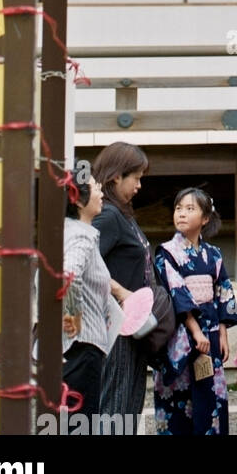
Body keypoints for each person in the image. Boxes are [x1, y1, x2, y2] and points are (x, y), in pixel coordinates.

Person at [152, 187, 237, 435]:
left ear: (205, 218)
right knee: (176, 399)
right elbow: (175, 291)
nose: (181, 214)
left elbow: (224, 291)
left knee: (210, 398)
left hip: (210, 336)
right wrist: (195, 331)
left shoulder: (213, 254)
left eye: (189, 209)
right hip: (179, 337)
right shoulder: (166, 252)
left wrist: (223, 333)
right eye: (178, 208)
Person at [91, 142, 151, 432]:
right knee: (115, 408)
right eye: (136, 177)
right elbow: (84, 263)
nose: (139, 185)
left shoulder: (122, 214)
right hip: (115, 327)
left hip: (131, 327)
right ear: (116, 176)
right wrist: (120, 291)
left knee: (128, 407)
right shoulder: (109, 216)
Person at [62, 174, 116, 424]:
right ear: (79, 200)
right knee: (81, 425)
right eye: (96, 188)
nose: (102, 193)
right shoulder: (81, 235)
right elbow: (68, 277)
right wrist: (74, 315)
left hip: (73, 349)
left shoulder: (66, 231)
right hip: (82, 348)